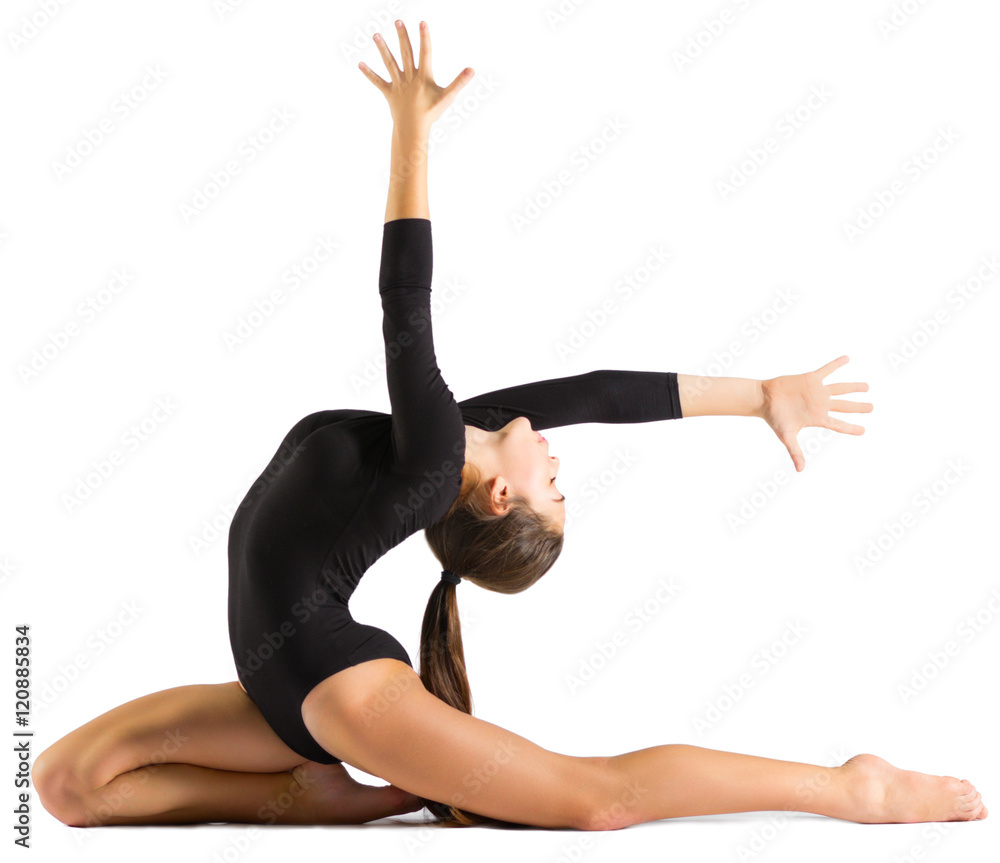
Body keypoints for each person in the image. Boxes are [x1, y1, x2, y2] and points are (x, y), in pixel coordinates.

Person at [32, 19, 986, 831]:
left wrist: (410, 130)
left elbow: (404, 302)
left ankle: (853, 787)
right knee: (65, 785)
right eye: (561, 482)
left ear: (495, 492)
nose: (560, 461)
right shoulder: (458, 433)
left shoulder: (431, 460)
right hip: (277, 689)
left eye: (554, 488)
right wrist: (761, 394)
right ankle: (314, 796)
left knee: (595, 801)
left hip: (337, 685)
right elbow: (601, 391)